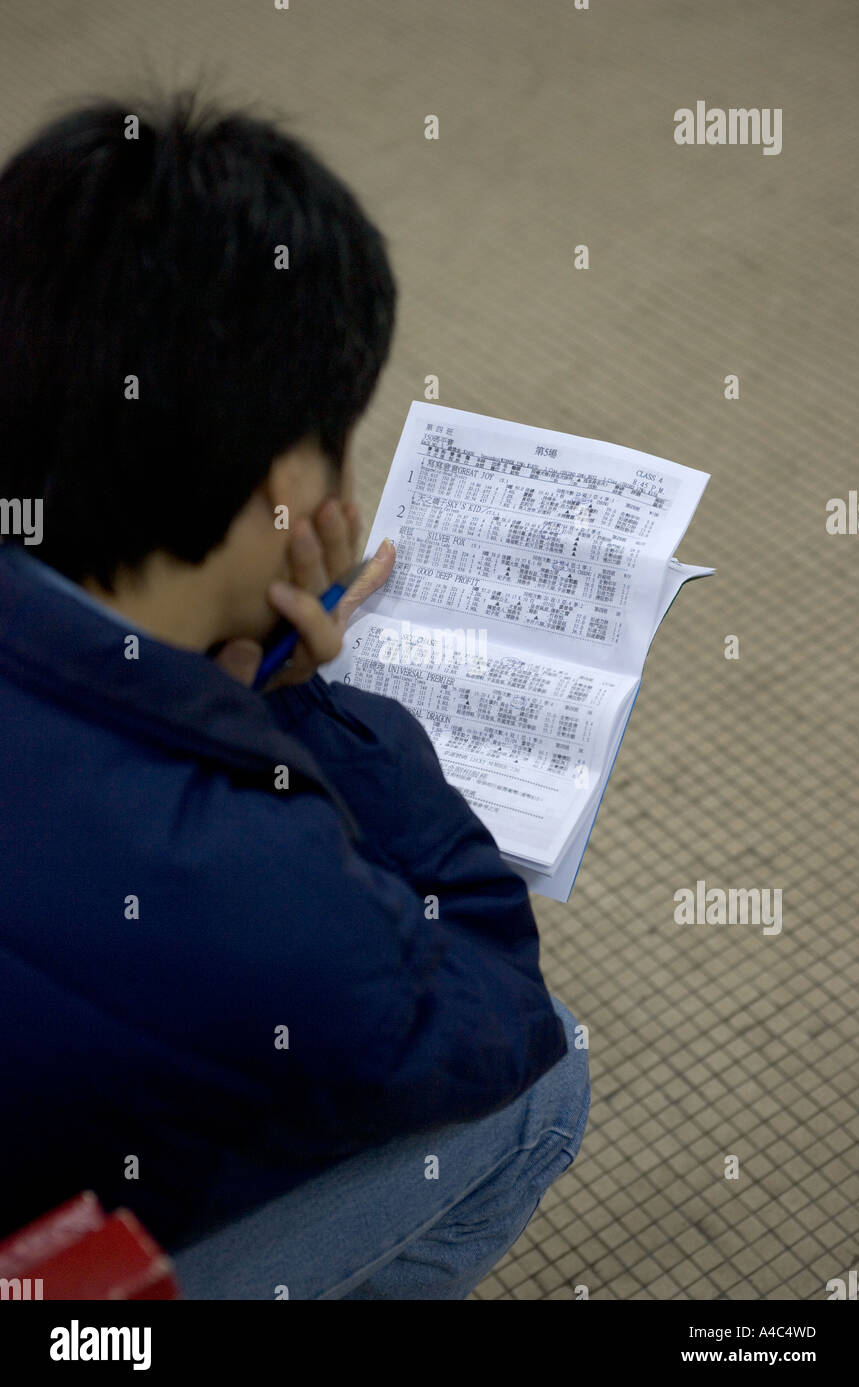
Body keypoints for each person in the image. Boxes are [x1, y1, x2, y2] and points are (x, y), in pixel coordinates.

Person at [0, 92, 589, 1299]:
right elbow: (487, 994)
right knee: (547, 1091)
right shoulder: (244, 881)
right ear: (286, 481)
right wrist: (295, 712)